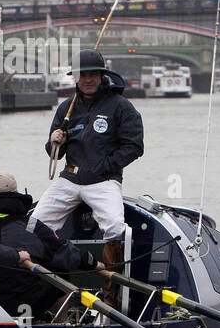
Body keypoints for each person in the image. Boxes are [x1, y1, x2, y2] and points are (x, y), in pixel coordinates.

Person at [31, 49, 144, 281]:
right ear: (76, 78)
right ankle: (46, 281)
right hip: (69, 179)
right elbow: (55, 154)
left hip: (104, 181)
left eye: (93, 74)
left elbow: (134, 146)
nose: (88, 80)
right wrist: (54, 142)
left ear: (103, 76)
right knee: (34, 224)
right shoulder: (66, 108)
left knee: (114, 227)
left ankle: (112, 287)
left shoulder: (121, 106)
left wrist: (105, 167)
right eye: (83, 75)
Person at [0, 172, 100, 322]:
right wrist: (93, 263)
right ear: (16, 193)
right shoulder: (31, 227)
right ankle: (61, 324)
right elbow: (64, 253)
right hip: (29, 301)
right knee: (59, 270)